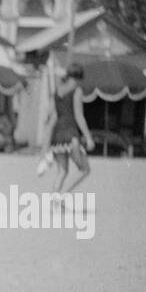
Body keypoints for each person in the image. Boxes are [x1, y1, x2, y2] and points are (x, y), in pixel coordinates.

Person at [42, 62, 95, 197]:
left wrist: (46, 144)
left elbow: (51, 116)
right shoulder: (76, 91)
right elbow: (79, 116)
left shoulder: (57, 92)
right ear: (78, 78)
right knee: (84, 170)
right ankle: (64, 195)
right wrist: (88, 137)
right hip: (71, 134)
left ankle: (54, 198)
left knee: (62, 171)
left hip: (57, 135)